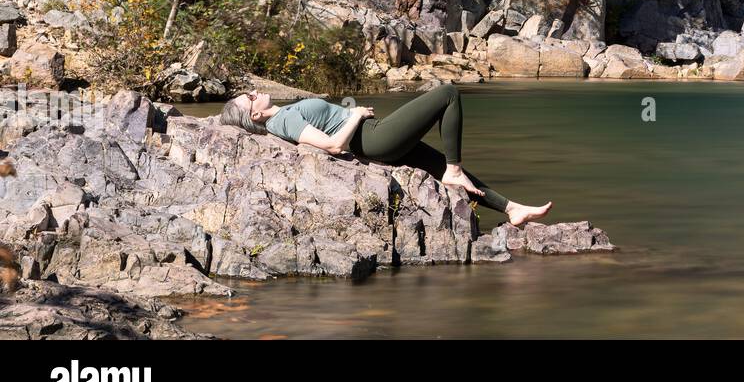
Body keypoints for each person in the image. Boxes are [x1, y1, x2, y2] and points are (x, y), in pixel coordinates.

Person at [220, 83, 551, 227]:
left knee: (438, 164)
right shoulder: (284, 119)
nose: (254, 92)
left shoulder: (284, 113)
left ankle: (513, 209)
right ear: (255, 116)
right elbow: (334, 146)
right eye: (249, 97)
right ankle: (454, 168)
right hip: (373, 138)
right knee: (448, 94)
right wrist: (355, 115)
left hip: (377, 136)